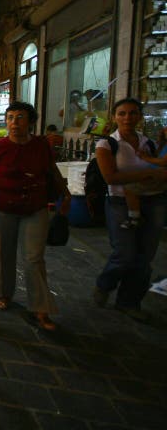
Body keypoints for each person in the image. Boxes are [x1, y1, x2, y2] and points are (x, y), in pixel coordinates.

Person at [0, 101, 71, 331]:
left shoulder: (41, 146)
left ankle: (40, 308)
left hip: (34, 208)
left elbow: (51, 170)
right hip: (0, 209)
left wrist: (65, 194)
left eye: (20, 117)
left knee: (34, 258)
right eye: (11, 117)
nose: (14, 122)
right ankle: (3, 292)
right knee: (3, 254)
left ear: (31, 122)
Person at [93, 99, 167, 322]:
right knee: (125, 253)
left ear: (140, 116)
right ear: (114, 116)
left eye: (133, 113)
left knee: (144, 257)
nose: (127, 118)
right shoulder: (107, 144)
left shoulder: (149, 143)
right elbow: (110, 177)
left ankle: (129, 302)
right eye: (122, 113)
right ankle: (105, 284)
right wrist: (148, 175)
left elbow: (160, 166)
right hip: (119, 202)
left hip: (152, 201)